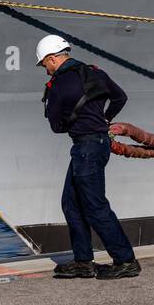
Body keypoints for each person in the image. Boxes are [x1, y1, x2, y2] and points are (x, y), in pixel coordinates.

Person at [37, 34, 141, 280]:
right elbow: (120, 97)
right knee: (71, 202)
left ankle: (125, 260)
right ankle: (83, 261)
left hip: (85, 148)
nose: (45, 69)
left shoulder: (59, 84)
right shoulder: (95, 72)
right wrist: (104, 119)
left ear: (53, 59)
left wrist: (71, 122)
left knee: (94, 206)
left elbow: (55, 125)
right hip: (99, 144)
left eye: (44, 64)